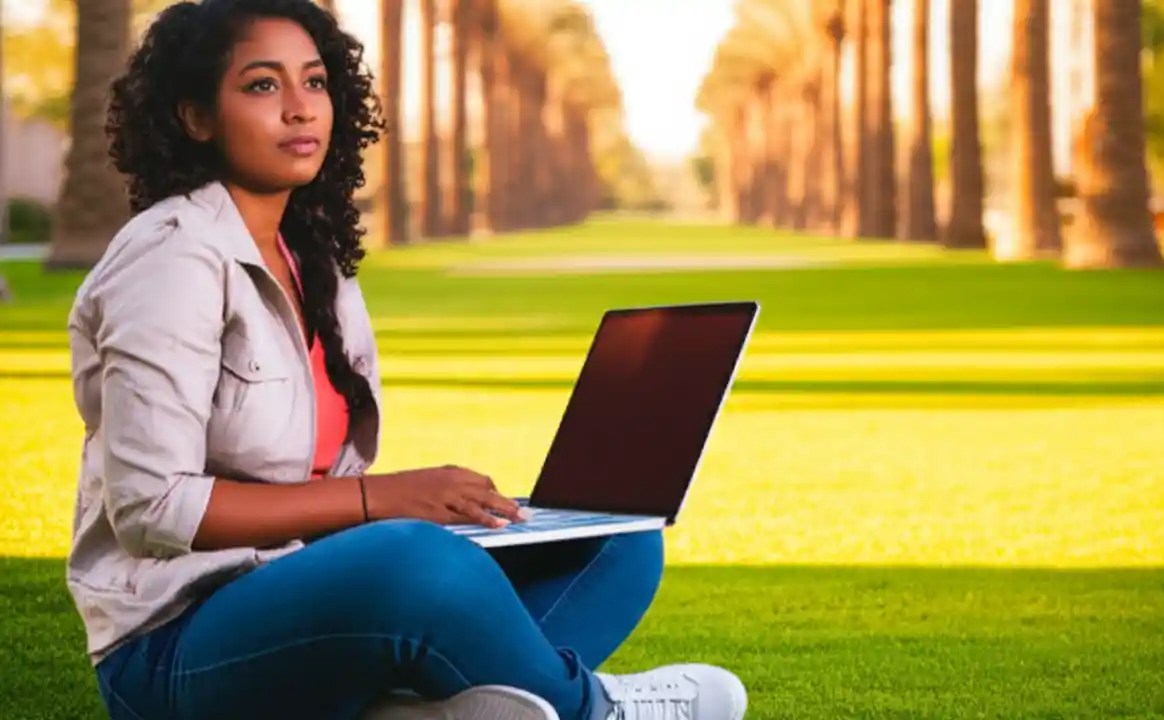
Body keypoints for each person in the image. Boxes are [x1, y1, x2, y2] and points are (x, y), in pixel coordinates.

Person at [64, 1, 748, 718]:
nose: (301, 109)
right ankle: (596, 710)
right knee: (416, 559)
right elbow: (154, 507)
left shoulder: (314, 258)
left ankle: (414, 708)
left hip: (306, 593)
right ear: (196, 117)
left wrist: (413, 512)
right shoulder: (171, 258)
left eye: (316, 83)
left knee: (613, 540)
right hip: (177, 649)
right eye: (263, 86)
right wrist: (380, 501)